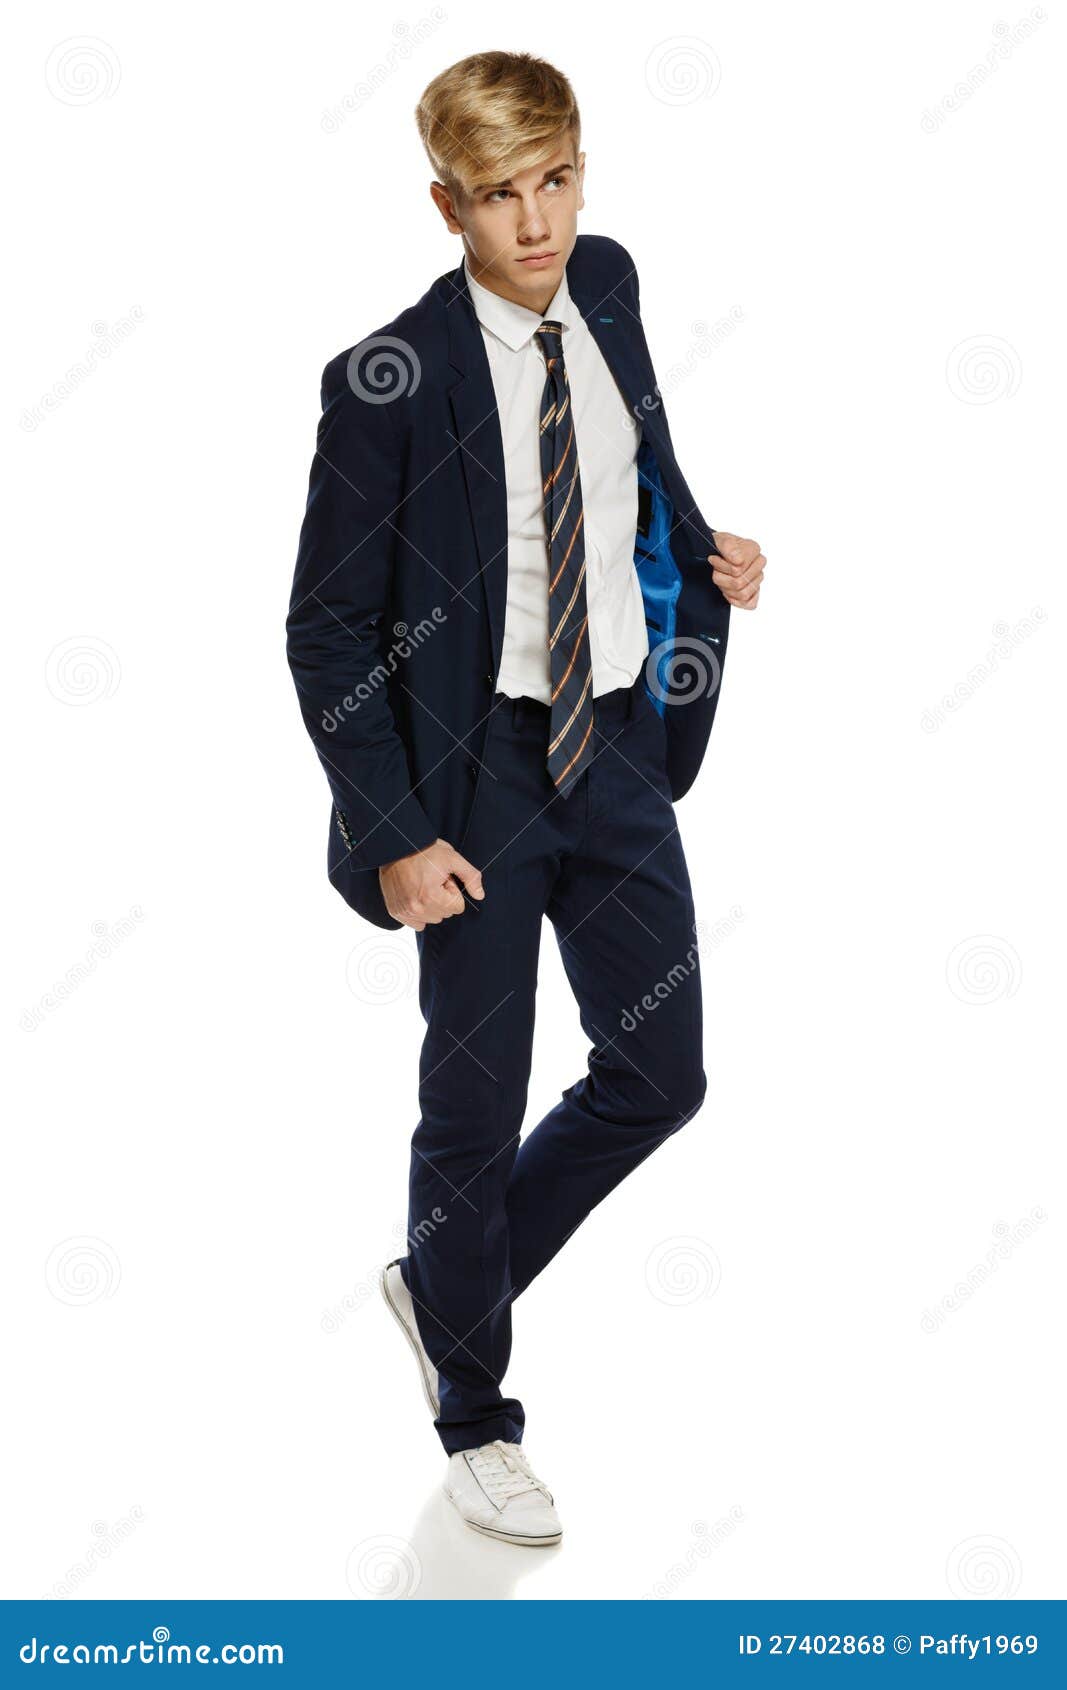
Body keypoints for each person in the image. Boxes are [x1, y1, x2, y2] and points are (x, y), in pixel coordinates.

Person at [286, 50, 766, 1547]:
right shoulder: (387, 380)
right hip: (475, 781)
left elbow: (630, 469)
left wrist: (709, 558)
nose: (538, 222)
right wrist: (394, 835)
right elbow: (326, 630)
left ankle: (444, 1287)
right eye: (501, 196)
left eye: (557, 181)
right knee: (475, 1107)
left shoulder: (607, 284)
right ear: (448, 206)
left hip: (616, 752)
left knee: (660, 1075)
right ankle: (475, 1416)